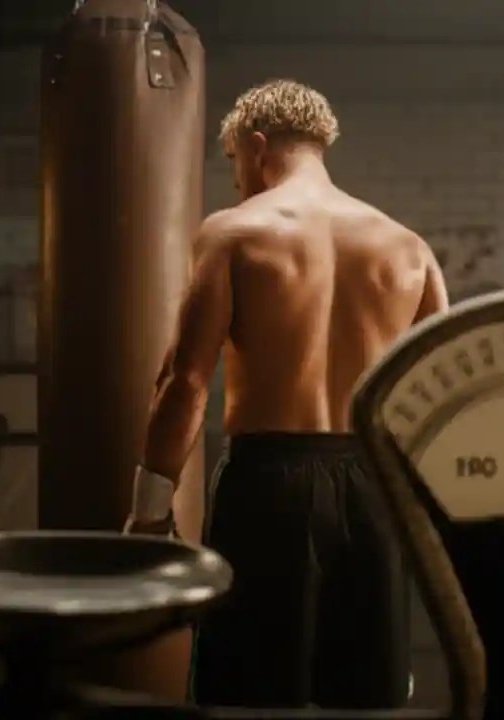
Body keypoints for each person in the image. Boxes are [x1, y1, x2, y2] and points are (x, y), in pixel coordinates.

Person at [124, 78, 449, 709]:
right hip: (375, 485)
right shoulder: (409, 248)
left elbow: (185, 382)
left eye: (233, 165)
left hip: (269, 484)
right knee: (367, 698)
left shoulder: (234, 233)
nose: (236, 181)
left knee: (252, 696)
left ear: (257, 145)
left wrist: (150, 510)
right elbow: (442, 396)